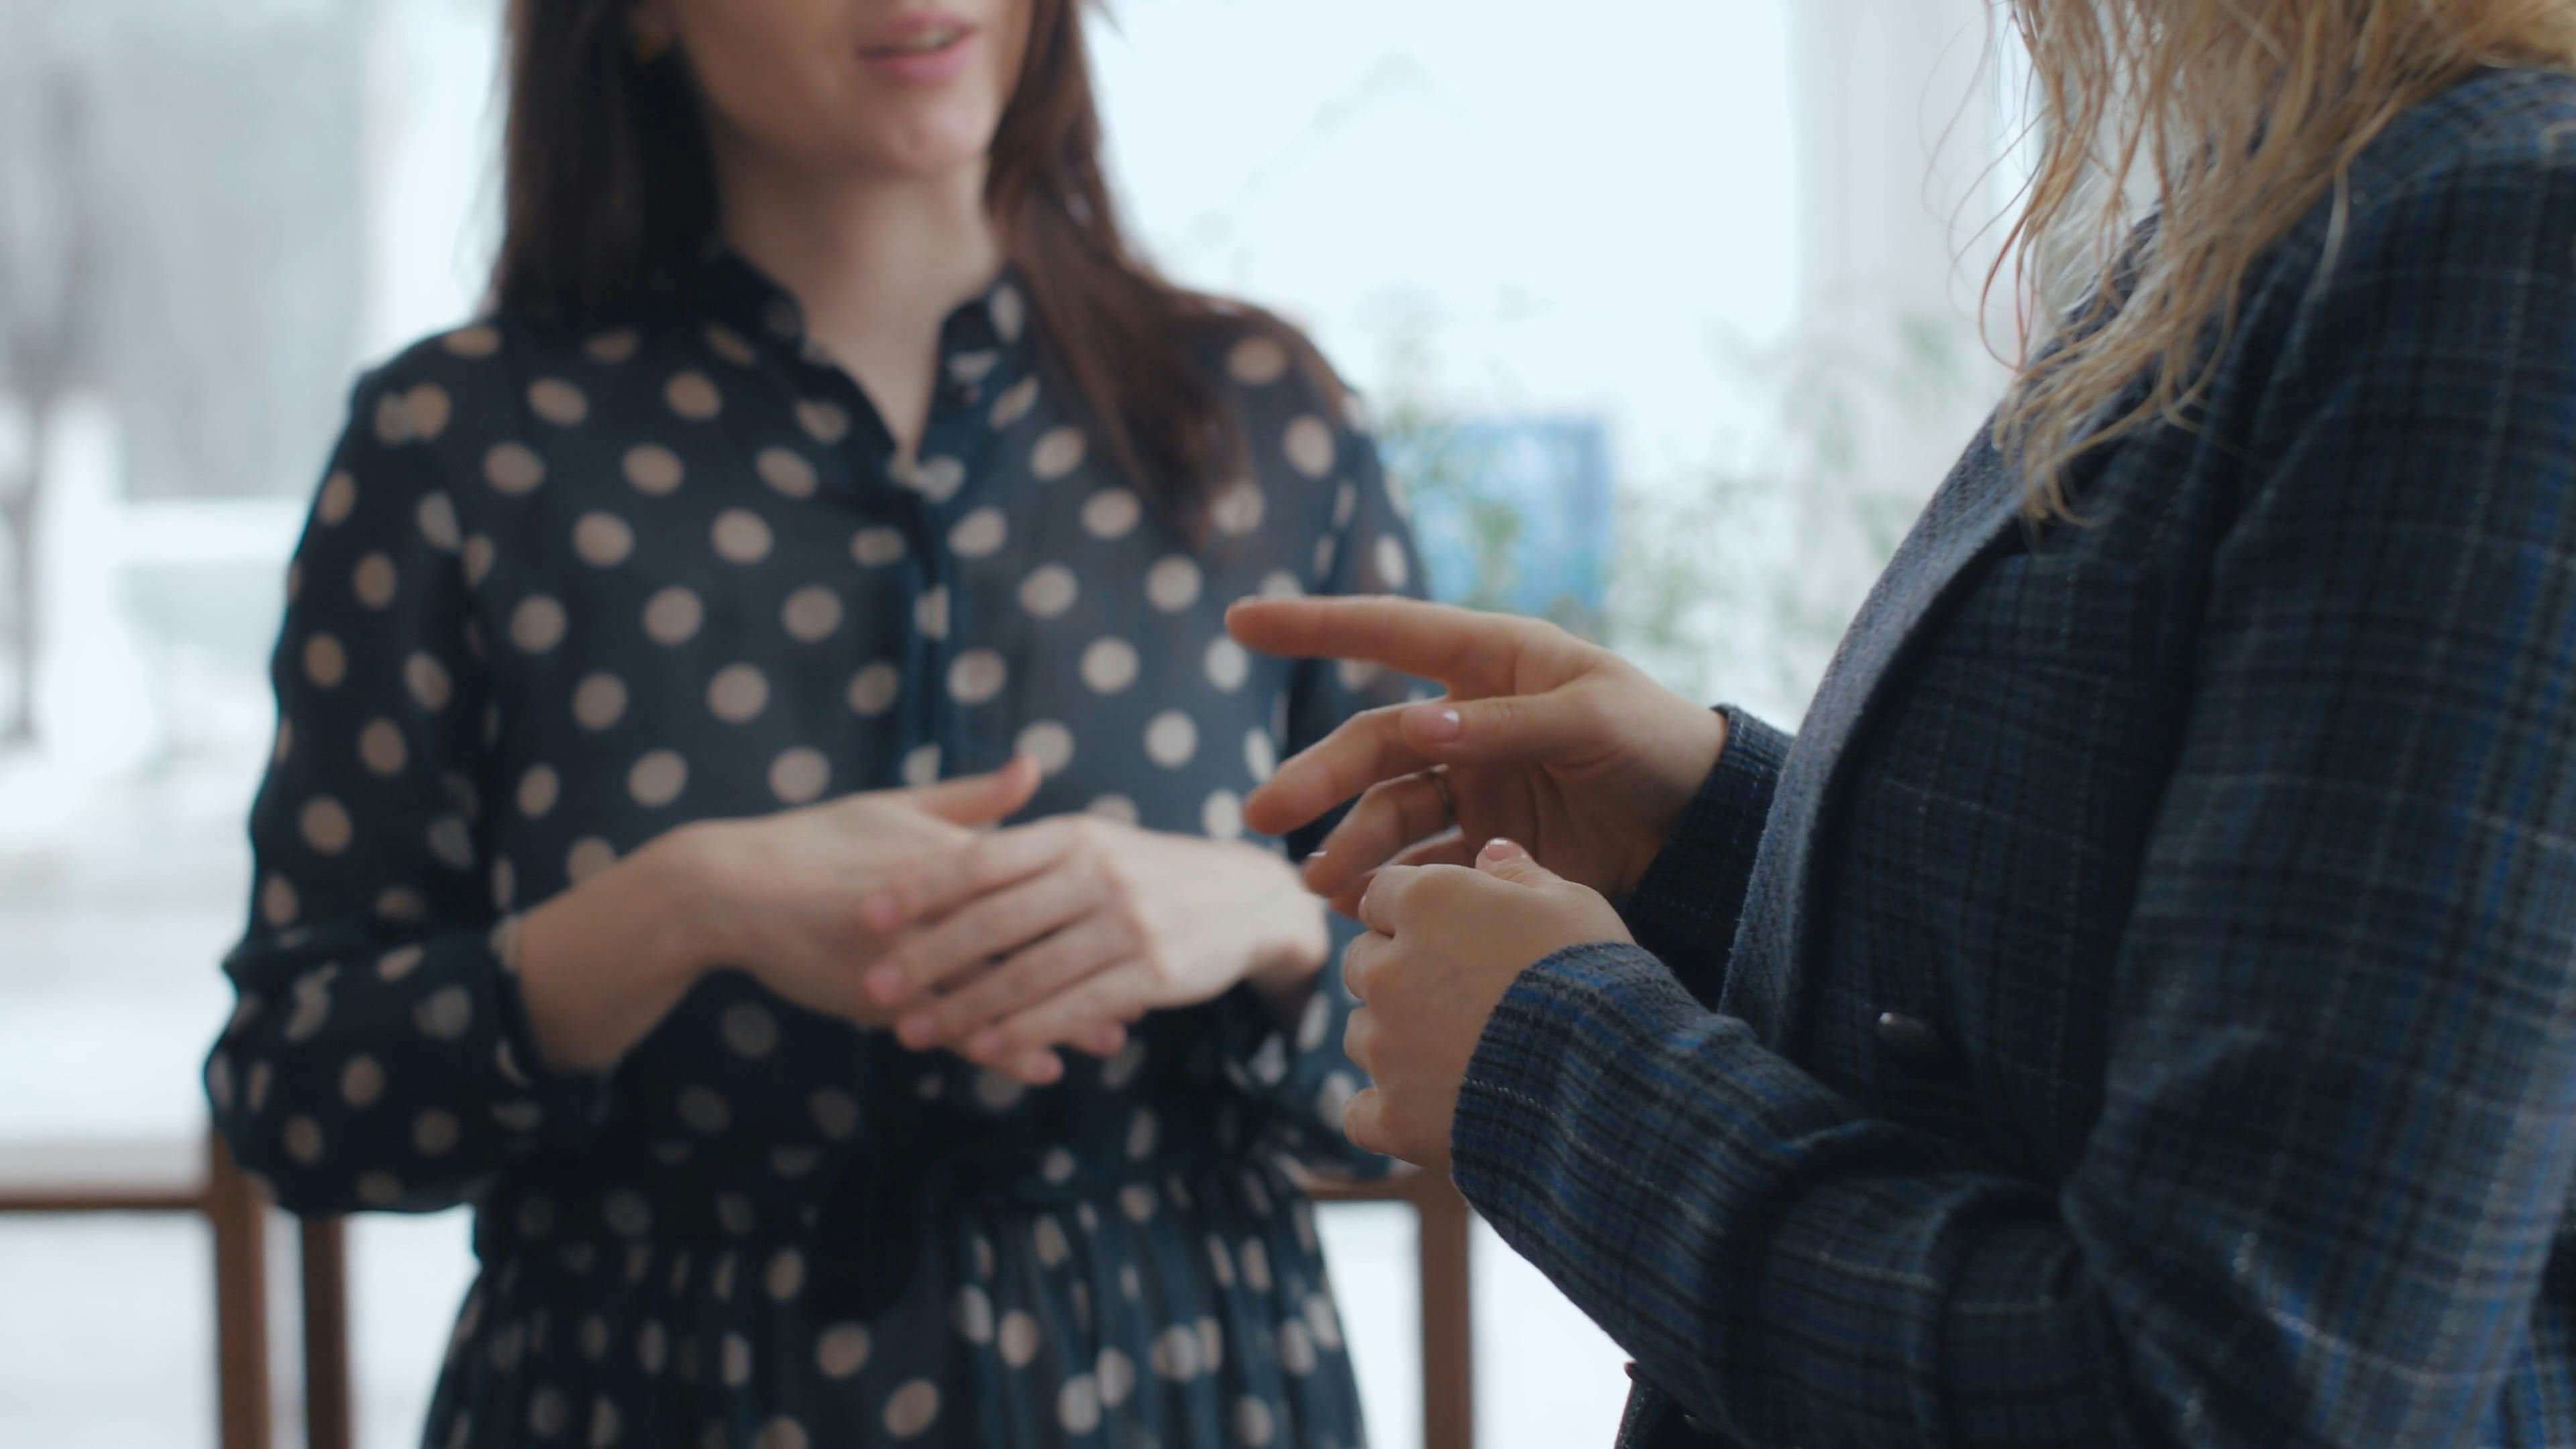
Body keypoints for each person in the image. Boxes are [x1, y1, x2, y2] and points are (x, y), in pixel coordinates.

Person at [1224, 3, 2576, 1444]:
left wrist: (1552, 1063)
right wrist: (1717, 829)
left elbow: (2224, 1393)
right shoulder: (2324, 184)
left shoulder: (2497, 231)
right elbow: (2145, 1004)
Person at [203, 0, 1424, 1444]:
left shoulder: (1262, 421)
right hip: (639, 1399)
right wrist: (676, 911)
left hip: (1189, 1388)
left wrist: (1268, 919)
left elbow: (1470, 1045)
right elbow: (298, 1094)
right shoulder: (455, 448)